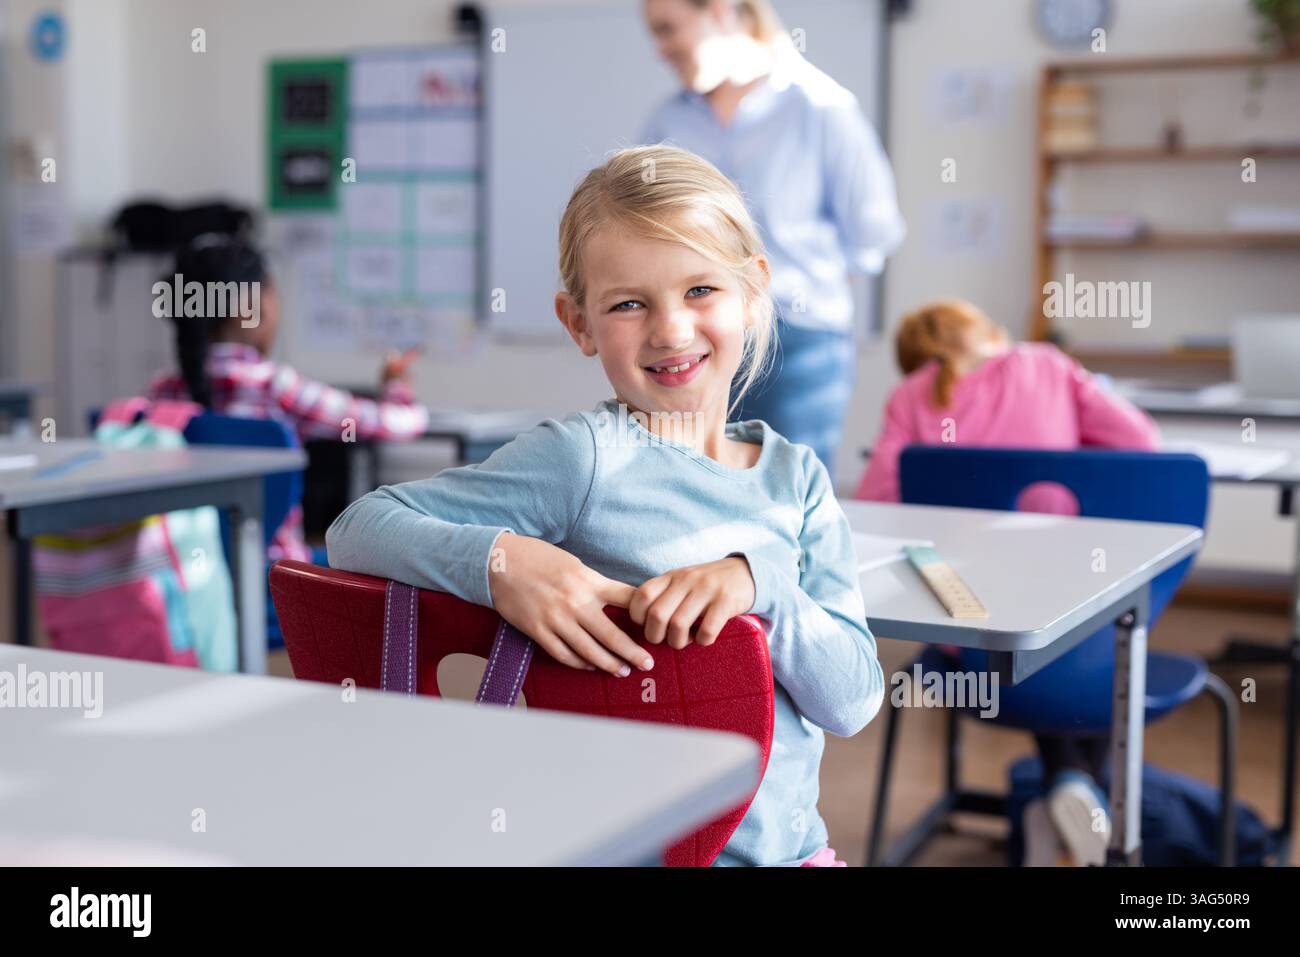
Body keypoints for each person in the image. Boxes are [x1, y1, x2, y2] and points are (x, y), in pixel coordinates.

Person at [326, 145, 884, 866]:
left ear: (753, 292)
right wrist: (504, 562)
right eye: (628, 303)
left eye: (701, 291)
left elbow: (852, 701)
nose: (671, 330)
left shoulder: (800, 480)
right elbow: (354, 528)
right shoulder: (583, 456)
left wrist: (762, 583)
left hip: (795, 854)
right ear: (579, 322)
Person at [856, 298, 1161, 866]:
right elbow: (1141, 442)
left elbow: (873, 504)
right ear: (990, 332)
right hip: (1081, 622)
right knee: (1087, 642)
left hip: (967, 628)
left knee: (1021, 631)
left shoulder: (910, 397)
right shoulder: (1048, 365)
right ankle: (1072, 785)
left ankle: (1065, 787)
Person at [641, 0, 905, 474]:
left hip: (798, 340)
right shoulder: (668, 122)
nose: (660, 51)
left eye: (667, 30)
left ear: (719, 12)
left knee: (788, 497)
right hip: (691, 334)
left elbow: (873, 232)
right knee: (692, 486)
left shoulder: (820, 107)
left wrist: (805, 291)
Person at [148, 236, 430, 563]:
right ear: (260, 308)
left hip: (190, 574)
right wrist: (398, 389)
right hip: (276, 573)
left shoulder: (161, 392)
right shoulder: (273, 385)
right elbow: (393, 424)